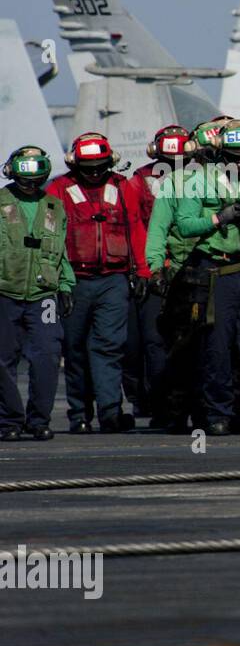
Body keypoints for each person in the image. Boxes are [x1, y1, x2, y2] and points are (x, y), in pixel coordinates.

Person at [174, 119, 240, 436]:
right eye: (235, 156)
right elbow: (185, 224)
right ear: (221, 152)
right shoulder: (199, 180)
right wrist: (218, 218)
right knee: (216, 345)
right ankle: (217, 412)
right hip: (215, 272)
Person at [46, 132, 148, 434]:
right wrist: (59, 283)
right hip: (74, 280)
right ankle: (79, 414)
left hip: (113, 281)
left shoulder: (121, 186)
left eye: (99, 167)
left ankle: (110, 413)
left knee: (108, 347)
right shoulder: (59, 190)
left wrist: (142, 272)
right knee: (74, 348)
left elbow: (136, 230)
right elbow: (51, 240)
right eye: (87, 168)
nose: (93, 173)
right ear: (75, 165)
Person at [0, 146, 74, 441]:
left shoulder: (55, 207)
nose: (30, 182)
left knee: (47, 355)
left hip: (43, 292)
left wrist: (66, 286)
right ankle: (9, 420)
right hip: (5, 290)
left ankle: (39, 420)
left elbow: (62, 252)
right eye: (24, 175)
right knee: (3, 358)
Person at [122, 125, 189, 427]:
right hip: (154, 273)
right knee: (151, 341)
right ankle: (155, 402)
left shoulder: (205, 180)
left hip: (191, 273)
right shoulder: (139, 182)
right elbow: (135, 227)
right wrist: (145, 270)